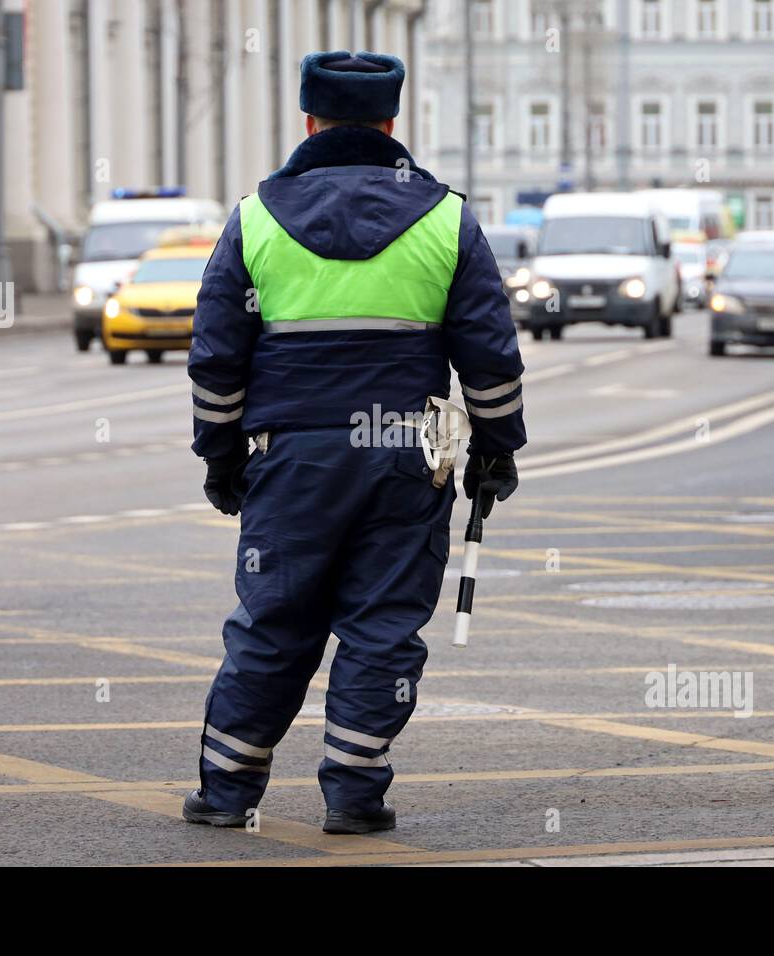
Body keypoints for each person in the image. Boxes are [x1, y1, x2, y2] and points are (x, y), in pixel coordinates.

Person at [183, 49, 525, 835]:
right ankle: (354, 794)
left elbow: (216, 357)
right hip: (405, 463)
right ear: (392, 123)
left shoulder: (256, 219)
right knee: (381, 627)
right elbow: (491, 354)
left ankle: (229, 792)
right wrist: (497, 448)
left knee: (274, 621)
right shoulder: (446, 218)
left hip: (288, 461)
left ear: (309, 121)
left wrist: (220, 455)